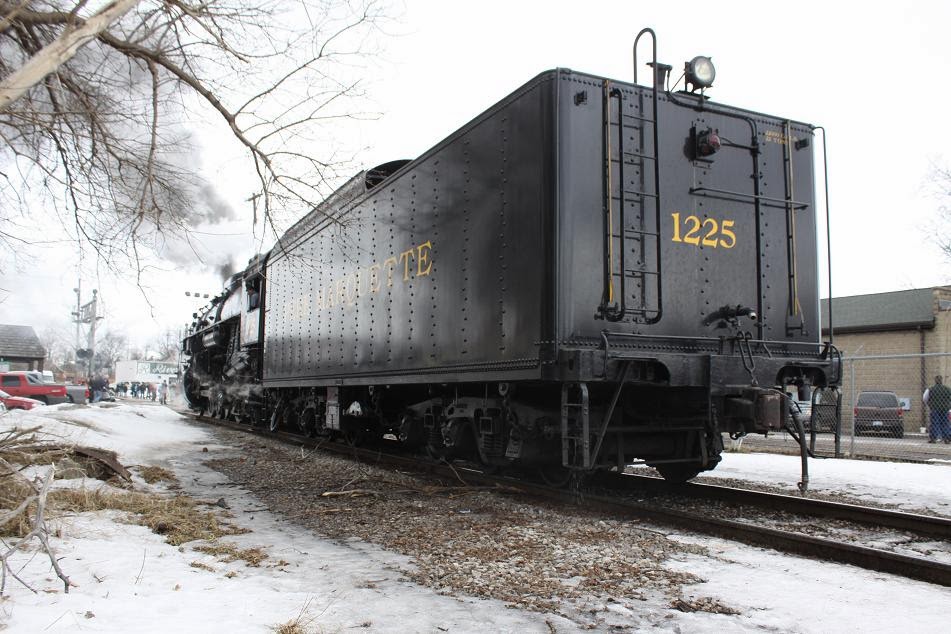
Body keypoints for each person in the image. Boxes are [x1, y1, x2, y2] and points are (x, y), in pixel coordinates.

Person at [923, 375, 951, 443]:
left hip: (934, 408)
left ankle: (933, 438)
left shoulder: (930, 389)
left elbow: (925, 398)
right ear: (942, 380)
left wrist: (930, 404)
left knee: (934, 423)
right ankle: (947, 438)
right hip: (945, 408)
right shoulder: (947, 389)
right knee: (945, 423)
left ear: (935, 380)